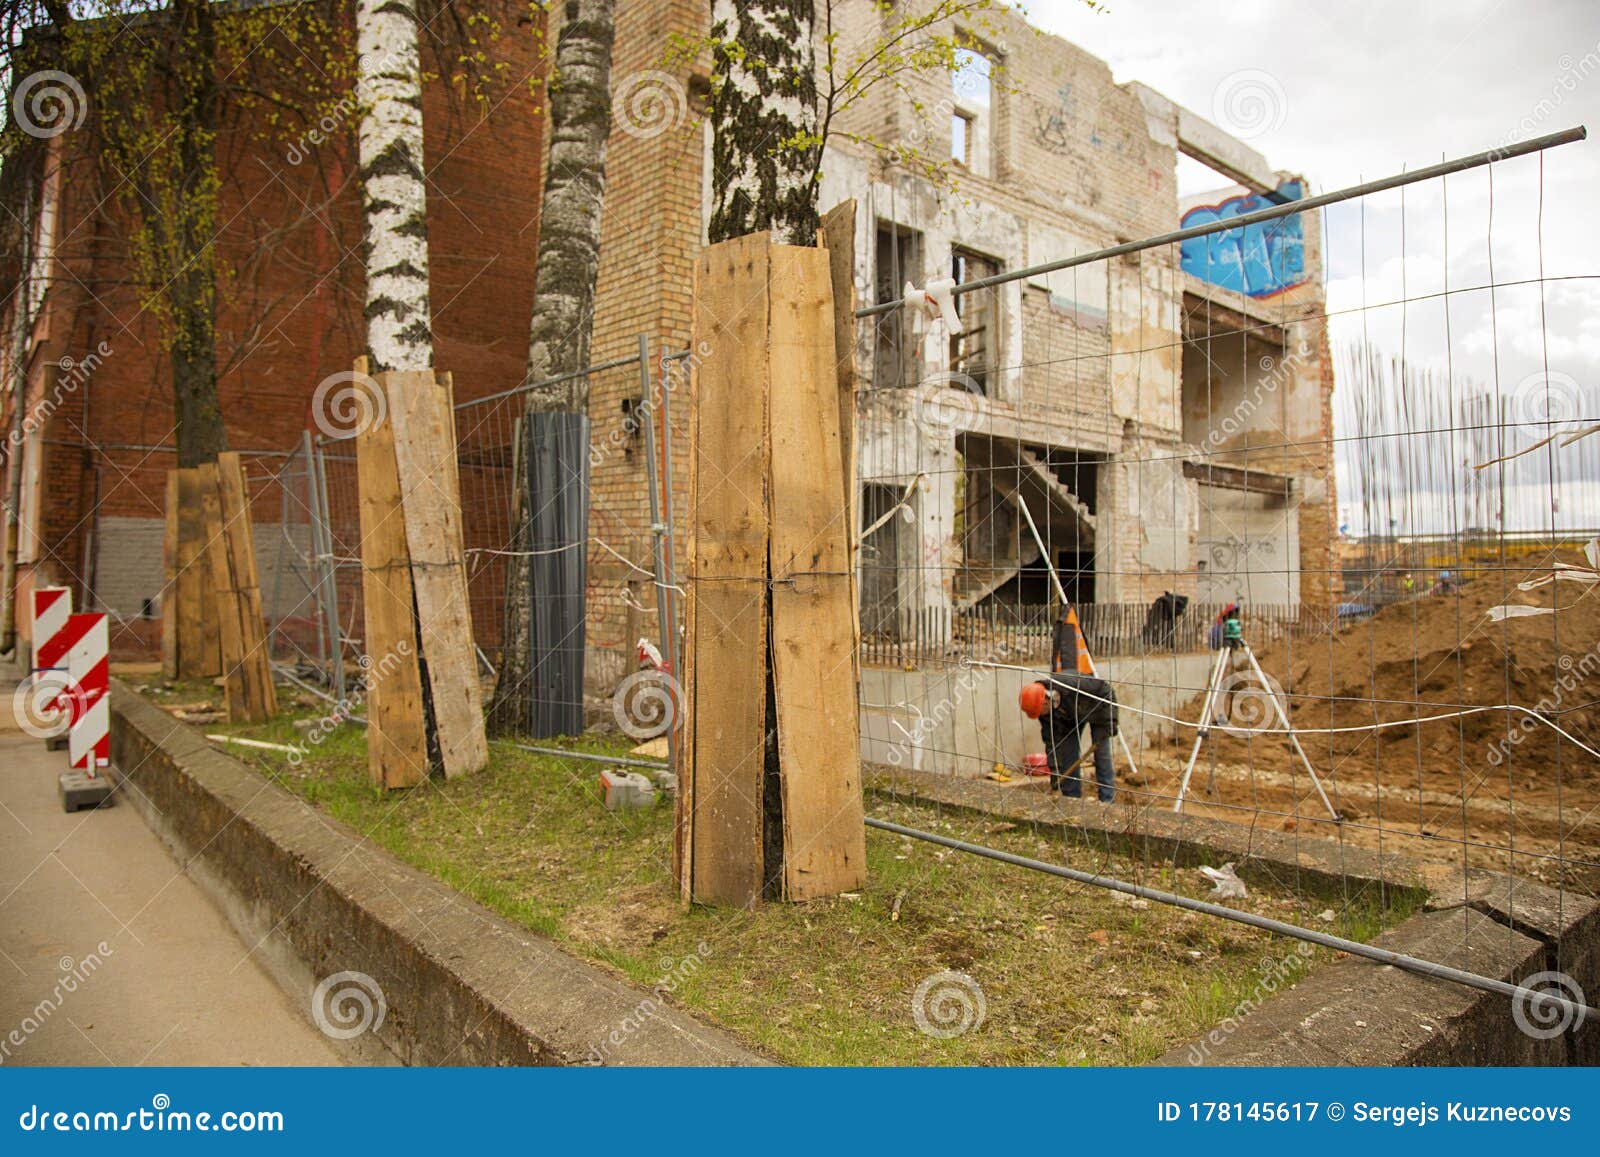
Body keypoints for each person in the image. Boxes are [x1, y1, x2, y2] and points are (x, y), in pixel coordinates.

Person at [1019, 674, 1118, 803]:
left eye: (1039, 712)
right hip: (1070, 717)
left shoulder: (1072, 686)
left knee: (1101, 755)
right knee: (1068, 756)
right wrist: (1055, 776)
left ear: (1045, 702)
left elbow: (1106, 691)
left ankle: (1107, 801)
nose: (1040, 716)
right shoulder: (1044, 712)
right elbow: (1052, 743)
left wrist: (1111, 722)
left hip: (1097, 708)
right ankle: (1072, 800)